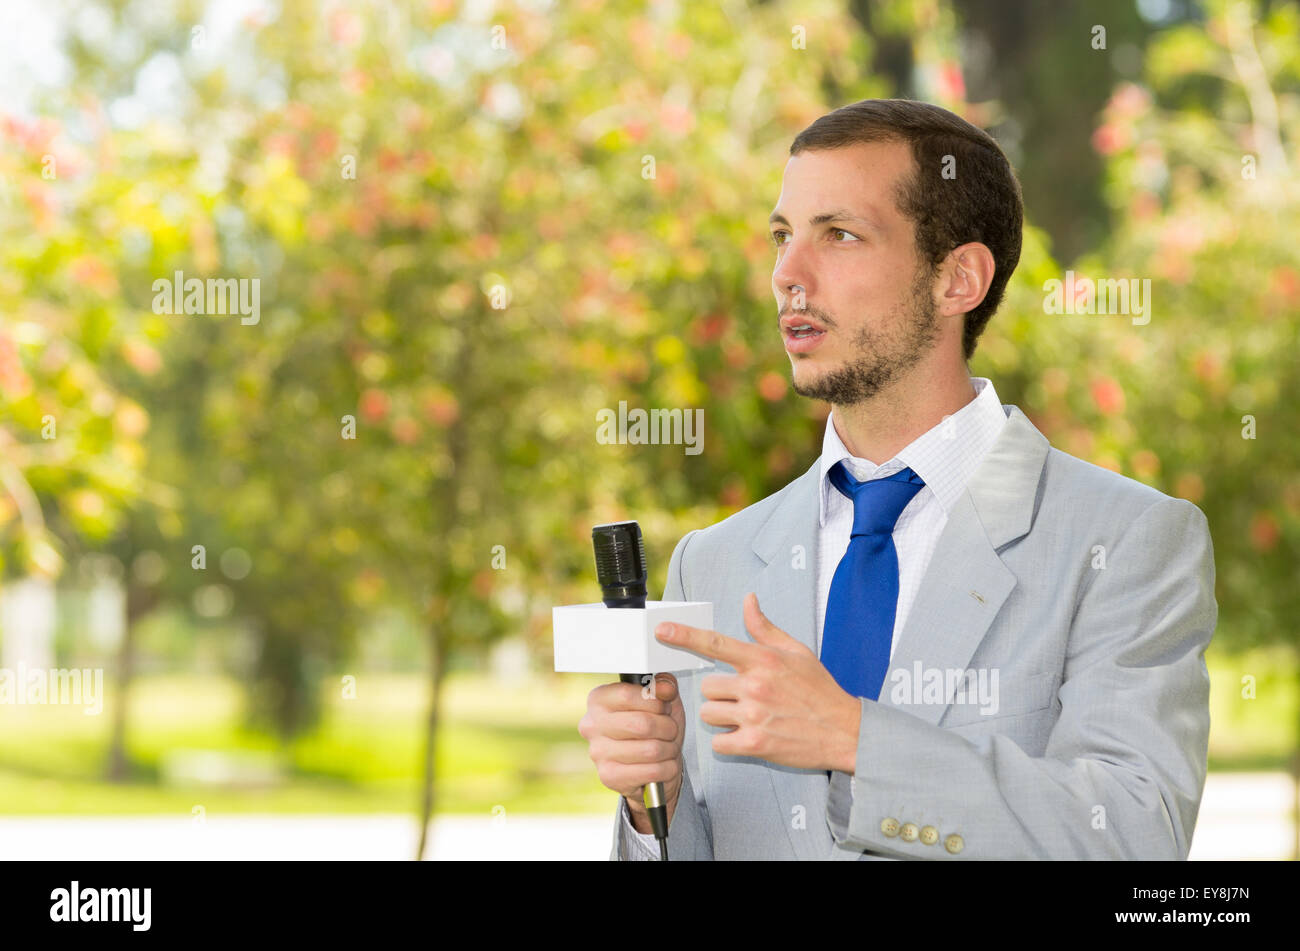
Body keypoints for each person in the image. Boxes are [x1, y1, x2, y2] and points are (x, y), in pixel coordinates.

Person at [578, 98, 1216, 860]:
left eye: (839, 235)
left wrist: (856, 741)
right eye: (782, 237)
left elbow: (1135, 836)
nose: (788, 275)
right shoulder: (711, 559)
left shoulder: (1126, 540)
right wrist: (658, 807)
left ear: (959, 278)